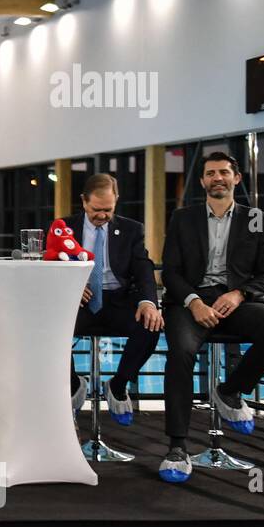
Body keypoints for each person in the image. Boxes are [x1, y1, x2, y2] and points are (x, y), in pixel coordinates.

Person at [158, 152, 264, 484]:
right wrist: (193, 302)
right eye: (210, 173)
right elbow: (170, 272)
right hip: (189, 303)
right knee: (180, 355)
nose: (217, 177)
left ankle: (231, 391)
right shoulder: (182, 218)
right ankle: (177, 447)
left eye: (223, 172)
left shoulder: (256, 218)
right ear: (202, 181)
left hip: (234, 301)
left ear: (236, 179)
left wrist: (238, 294)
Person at [61, 173, 163, 426]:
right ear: (84, 201)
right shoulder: (64, 227)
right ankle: (73, 385)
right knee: (51, 328)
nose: (102, 215)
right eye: (96, 209)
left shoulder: (132, 229)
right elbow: (51, 264)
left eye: (108, 209)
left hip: (118, 301)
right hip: (79, 302)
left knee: (150, 326)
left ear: (116, 200)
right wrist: (71, 285)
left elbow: (143, 269)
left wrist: (148, 302)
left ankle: (118, 385)